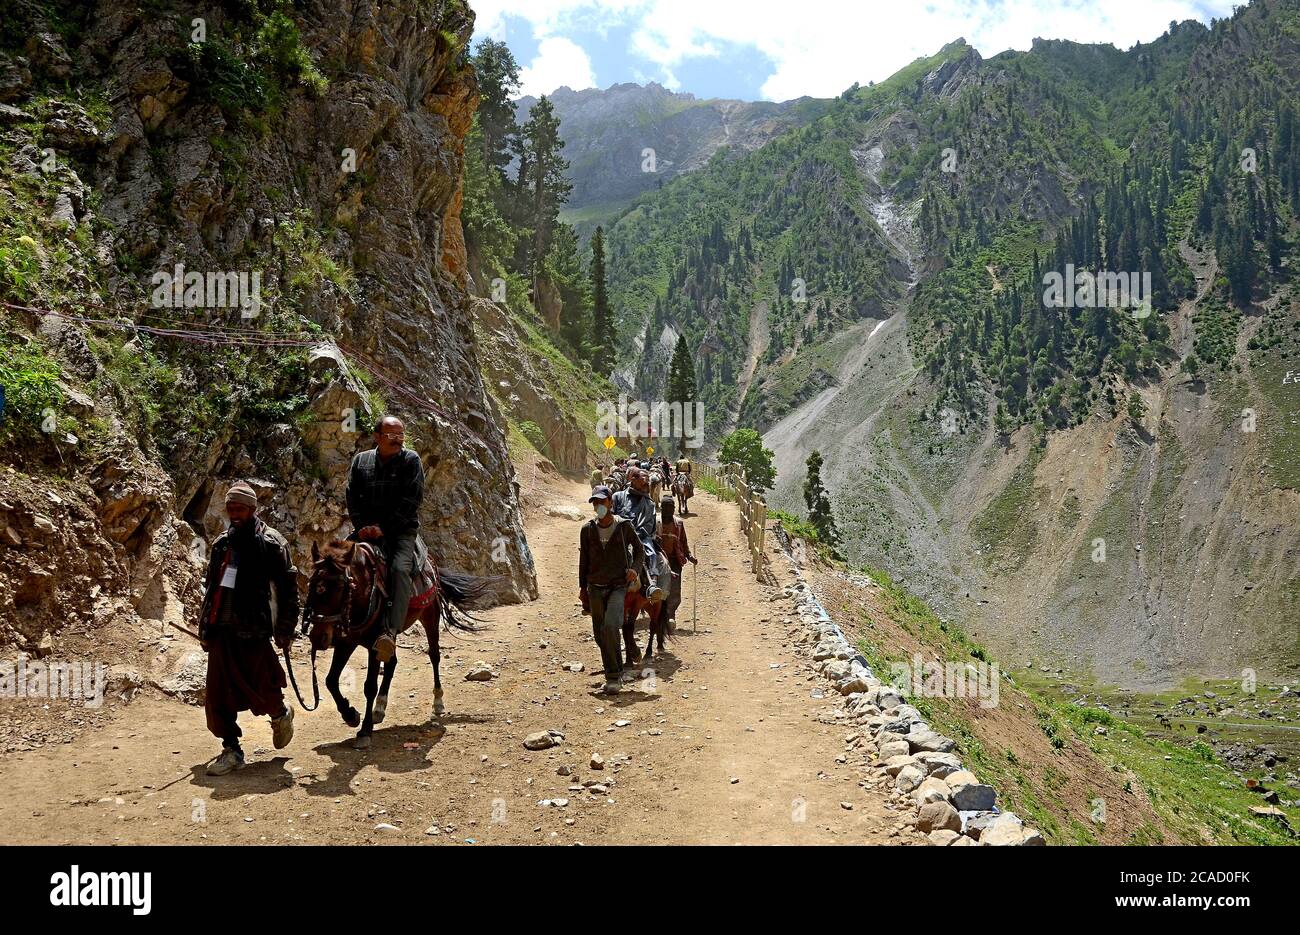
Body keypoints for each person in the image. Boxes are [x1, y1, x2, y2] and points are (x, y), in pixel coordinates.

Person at [197, 482, 299, 776]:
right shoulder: (221, 545)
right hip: (221, 631)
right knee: (217, 694)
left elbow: (288, 590)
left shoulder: (271, 544)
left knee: (264, 689)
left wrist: (285, 629)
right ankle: (231, 750)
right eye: (230, 509)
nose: (234, 514)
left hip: (253, 631)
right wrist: (205, 627)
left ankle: (280, 714)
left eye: (240, 509)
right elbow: (212, 590)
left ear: (253, 510)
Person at [346, 415, 424, 663]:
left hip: (400, 531)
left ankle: (390, 631)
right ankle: (330, 620)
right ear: (377, 437)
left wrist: (384, 530)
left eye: (401, 435)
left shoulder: (411, 461)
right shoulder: (361, 461)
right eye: (391, 435)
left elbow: (411, 501)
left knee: (400, 569)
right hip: (365, 530)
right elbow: (352, 496)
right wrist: (362, 527)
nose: (398, 440)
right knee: (334, 563)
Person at [578, 485, 645, 693]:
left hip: (618, 586)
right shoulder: (587, 529)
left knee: (609, 627)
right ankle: (615, 664)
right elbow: (584, 561)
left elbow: (640, 552)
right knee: (600, 635)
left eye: (602, 502)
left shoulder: (624, 527)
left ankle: (614, 676)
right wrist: (582, 588)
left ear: (610, 503)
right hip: (595, 587)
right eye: (595, 503)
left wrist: (634, 569)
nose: (599, 506)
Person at [613, 467, 669, 603]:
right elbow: (611, 516)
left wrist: (638, 534)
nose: (647, 483)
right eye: (644, 480)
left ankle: (652, 584)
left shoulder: (650, 503)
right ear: (633, 480)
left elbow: (650, 524)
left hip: (641, 537)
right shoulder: (618, 497)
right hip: (619, 535)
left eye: (648, 480)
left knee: (652, 554)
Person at [657, 497, 697, 631]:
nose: (669, 510)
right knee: (659, 588)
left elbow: (683, 542)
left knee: (674, 590)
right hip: (659, 561)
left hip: (675, 561)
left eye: (671, 508)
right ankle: (658, 616)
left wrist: (689, 556)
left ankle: (670, 615)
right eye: (666, 508)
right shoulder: (656, 522)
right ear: (661, 508)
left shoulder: (679, 524)